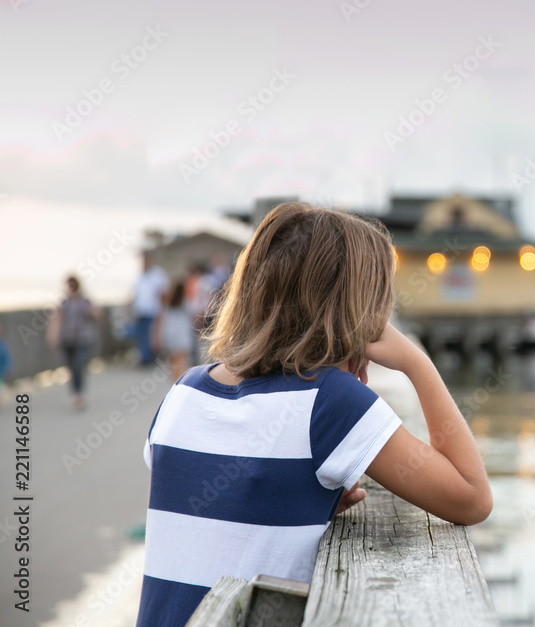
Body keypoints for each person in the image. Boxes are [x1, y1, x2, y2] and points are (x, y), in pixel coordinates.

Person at [136, 203, 492, 626]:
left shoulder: (185, 391)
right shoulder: (328, 400)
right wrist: (418, 364)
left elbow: (219, 503)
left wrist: (294, 500)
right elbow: (472, 498)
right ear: (360, 312)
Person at [47, 276, 101, 411]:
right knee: (71, 368)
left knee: (78, 365)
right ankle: (75, 393)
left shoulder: (85, 301)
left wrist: (88, 307)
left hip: (83, 339)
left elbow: (97, 315)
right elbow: (56, 318)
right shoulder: (64, 302)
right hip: (68, 339)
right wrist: (53, 335)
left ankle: (79, 394)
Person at [131, 254, 169, 366]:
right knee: (142, 336)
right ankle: (144, 358)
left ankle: (149, 359)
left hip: (153, 311)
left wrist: (162, 310)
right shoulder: (140, 277)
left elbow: (163, 294)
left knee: (151, 336)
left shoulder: (157, 275)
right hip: (140, 311)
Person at [157, 282, 195, 382]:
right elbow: (191, 315)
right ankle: (181, 380)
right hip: (182, 333)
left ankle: (174, 380)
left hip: (170, 333)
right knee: (182, 360)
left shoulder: (169, 303)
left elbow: (163, 319)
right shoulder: (185, 303)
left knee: (173, 360)